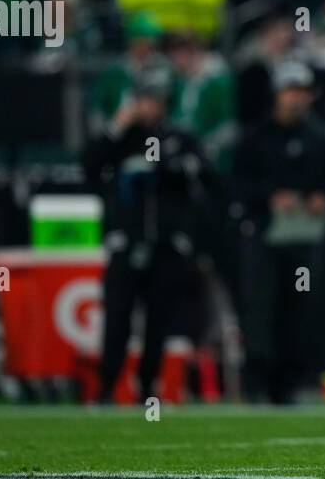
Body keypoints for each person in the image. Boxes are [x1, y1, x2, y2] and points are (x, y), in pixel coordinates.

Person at [83, 68, 224, 403]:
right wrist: (116, 127)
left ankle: (148, 386)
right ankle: (106, 388)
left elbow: (208, 180)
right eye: (145, 99)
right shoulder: (121, 139)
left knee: (158, 322)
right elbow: (89, 167)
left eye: (156, 100)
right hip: (126, 241)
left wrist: (172, 168)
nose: (150, 107)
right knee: (117, 317)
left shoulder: (180, 139)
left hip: (167, 244)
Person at [232, 60, 325, 403]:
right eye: (289, 91)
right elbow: (236, 183)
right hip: (263, 236)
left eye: (301, 91)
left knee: (300, 310)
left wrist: (324, 195)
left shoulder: (323, 138)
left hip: (305, 240)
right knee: (260, 309)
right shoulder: (255, 138)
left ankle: (291, 384)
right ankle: (258, 383)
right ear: (277, 94)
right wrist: (270, 197)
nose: (295, 99)